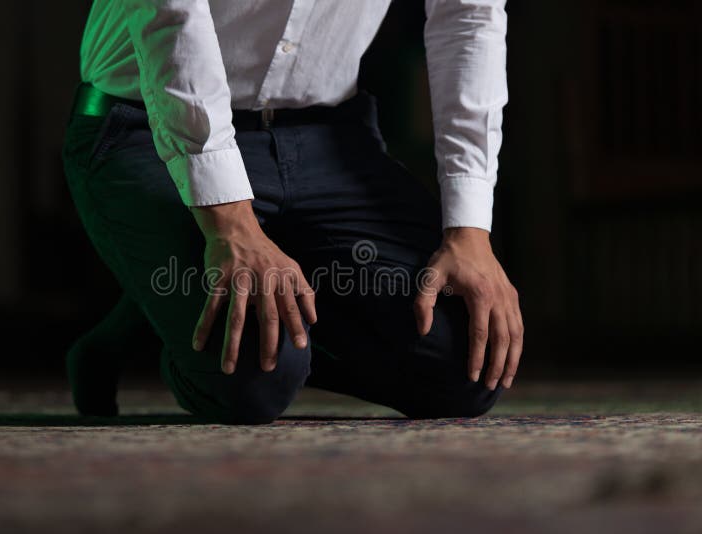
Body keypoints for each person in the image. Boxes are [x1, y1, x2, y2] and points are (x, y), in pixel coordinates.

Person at [63, 0, 523, 424]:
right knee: (253, 373)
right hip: (146, 124)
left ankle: (157, 313)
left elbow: (470, 18)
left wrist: (469, 232)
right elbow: (174, 16)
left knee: (470, 364)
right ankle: (159, 322)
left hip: (328, 140)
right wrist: (231, 224)